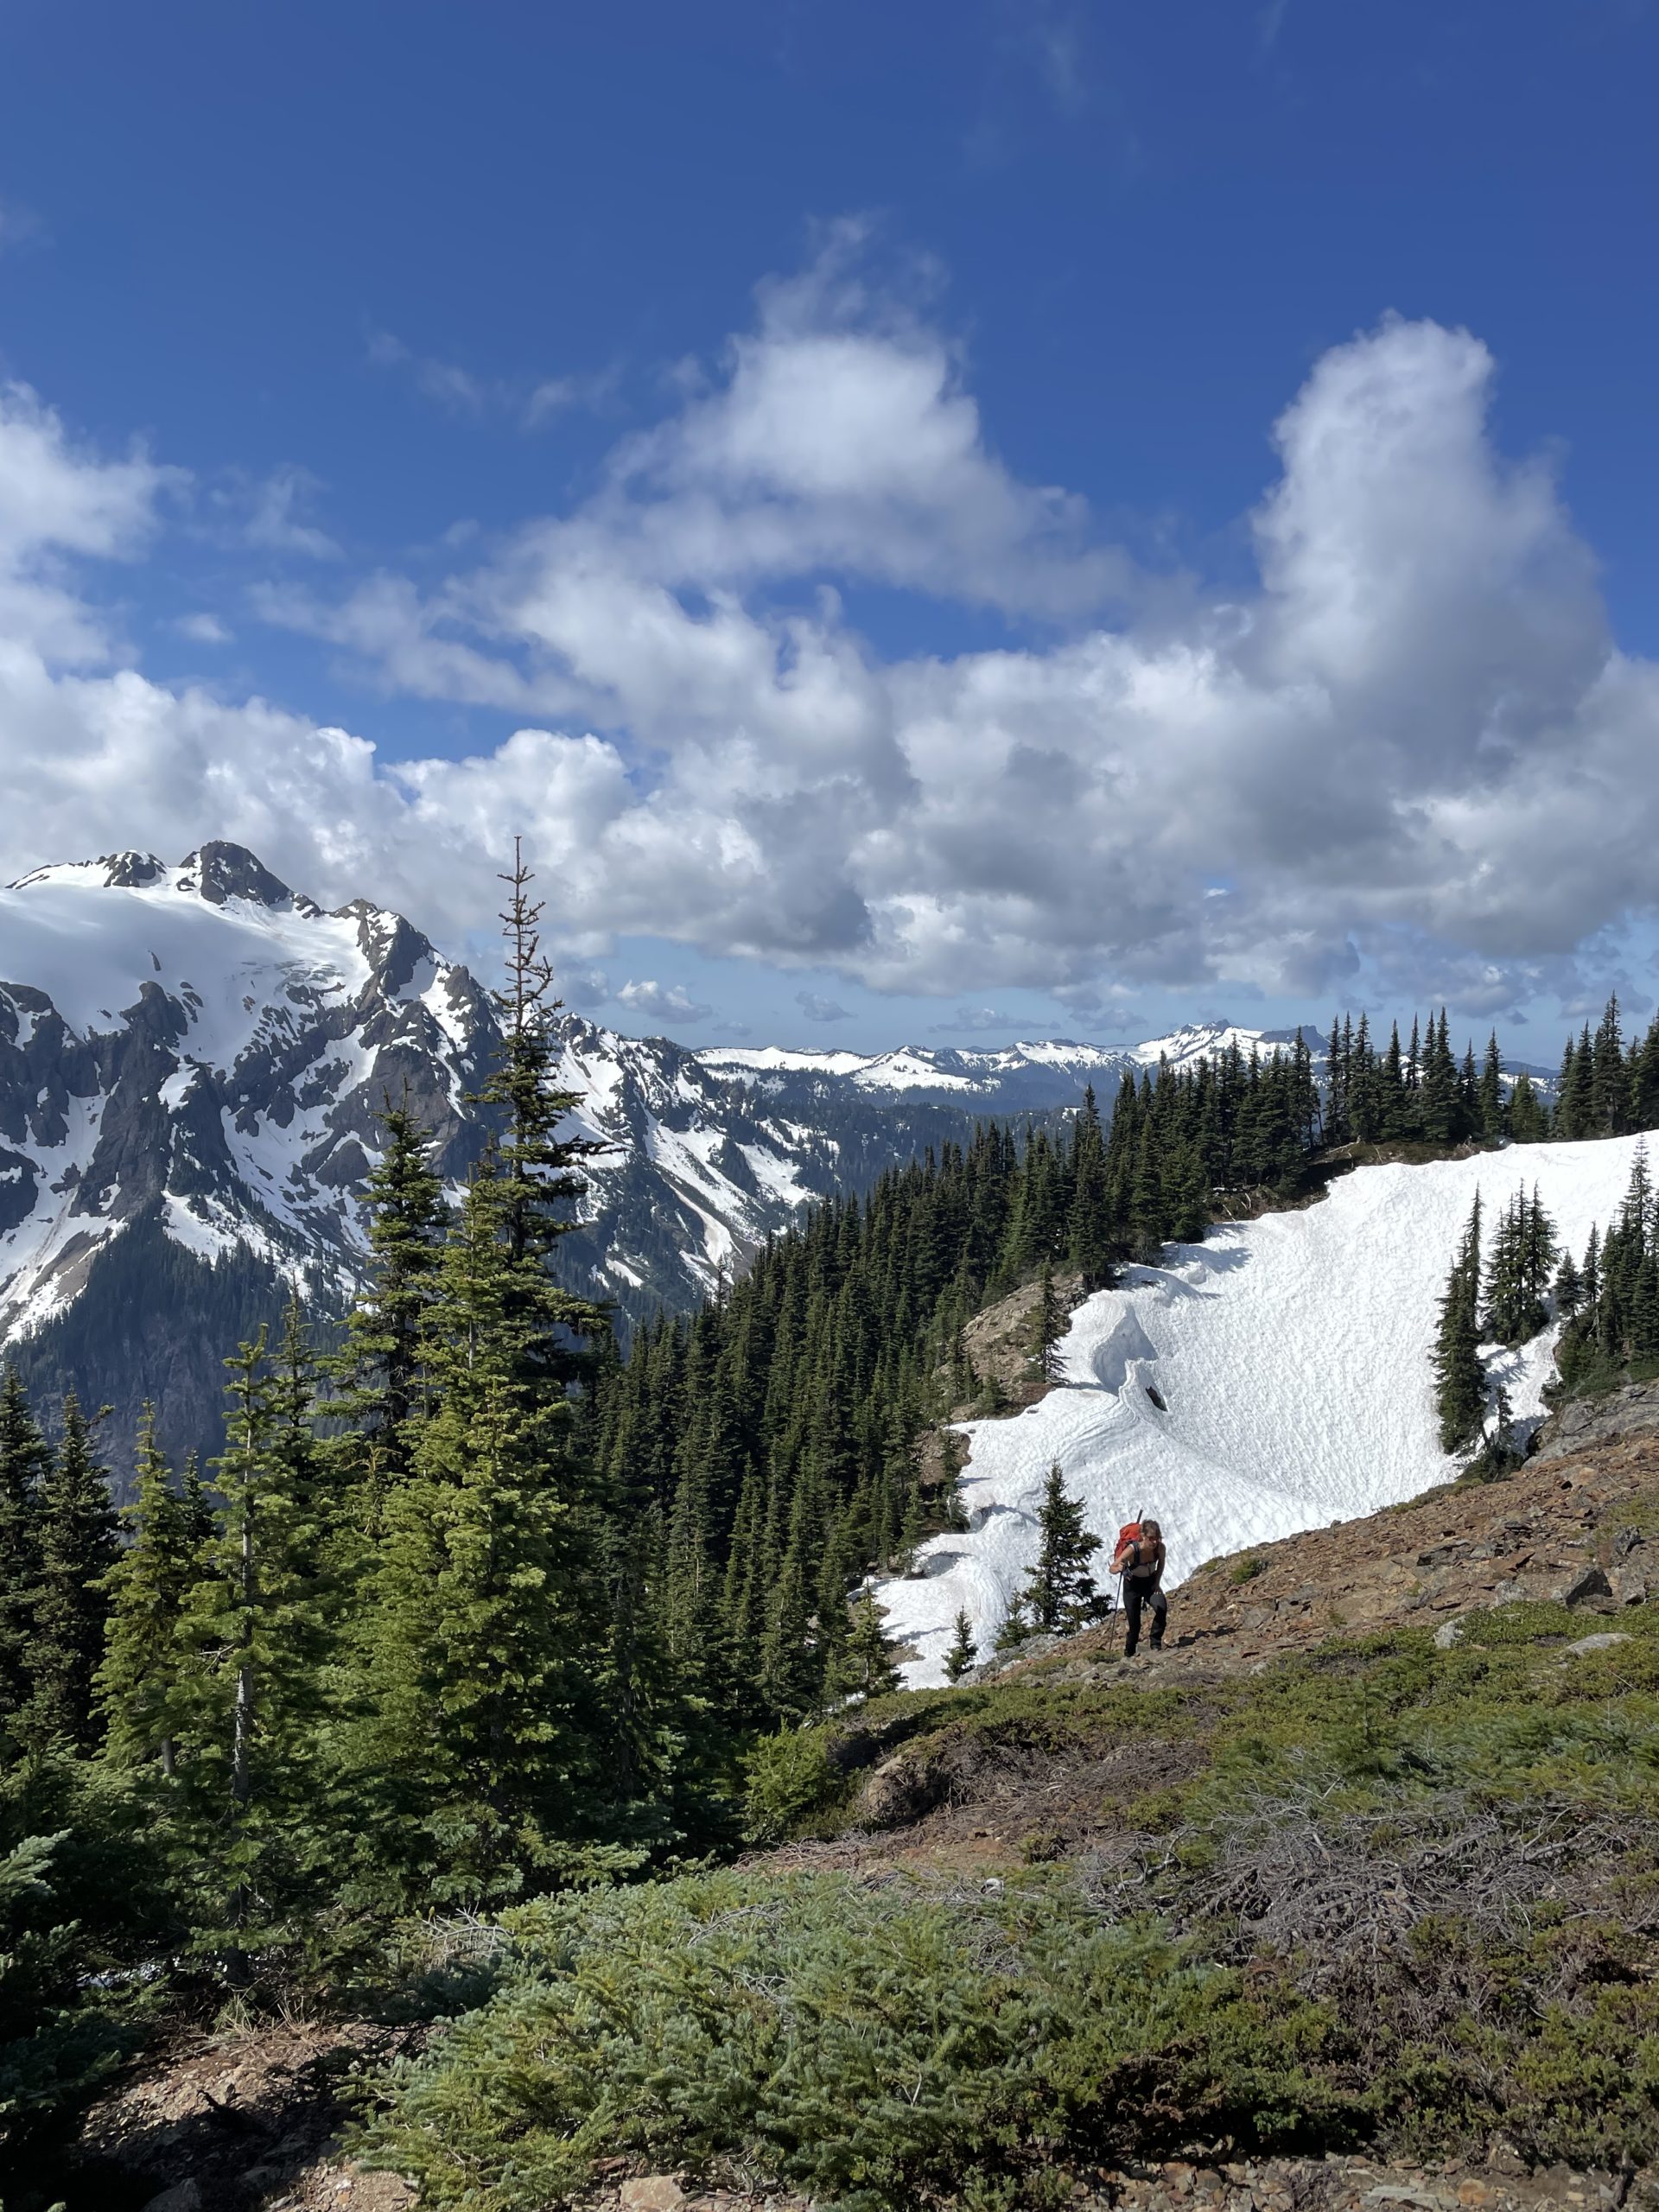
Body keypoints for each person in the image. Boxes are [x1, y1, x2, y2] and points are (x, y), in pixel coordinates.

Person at [1115, 1517, 1166, 1656]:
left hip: (1150, 1583)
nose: (1155, 1542)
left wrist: (1157, 1583)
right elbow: (1112, 1568)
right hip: (1132, 1586)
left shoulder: (1160, 1548)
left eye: (1157, 1538)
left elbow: (1161, 1564)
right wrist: (1119, 1567)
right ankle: (1129, 1651)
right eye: (1151, 1538)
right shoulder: (1132, 1550)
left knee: (1162, 1608)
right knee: (1134, 1624)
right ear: (1143, 1536)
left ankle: (1155, 1643)